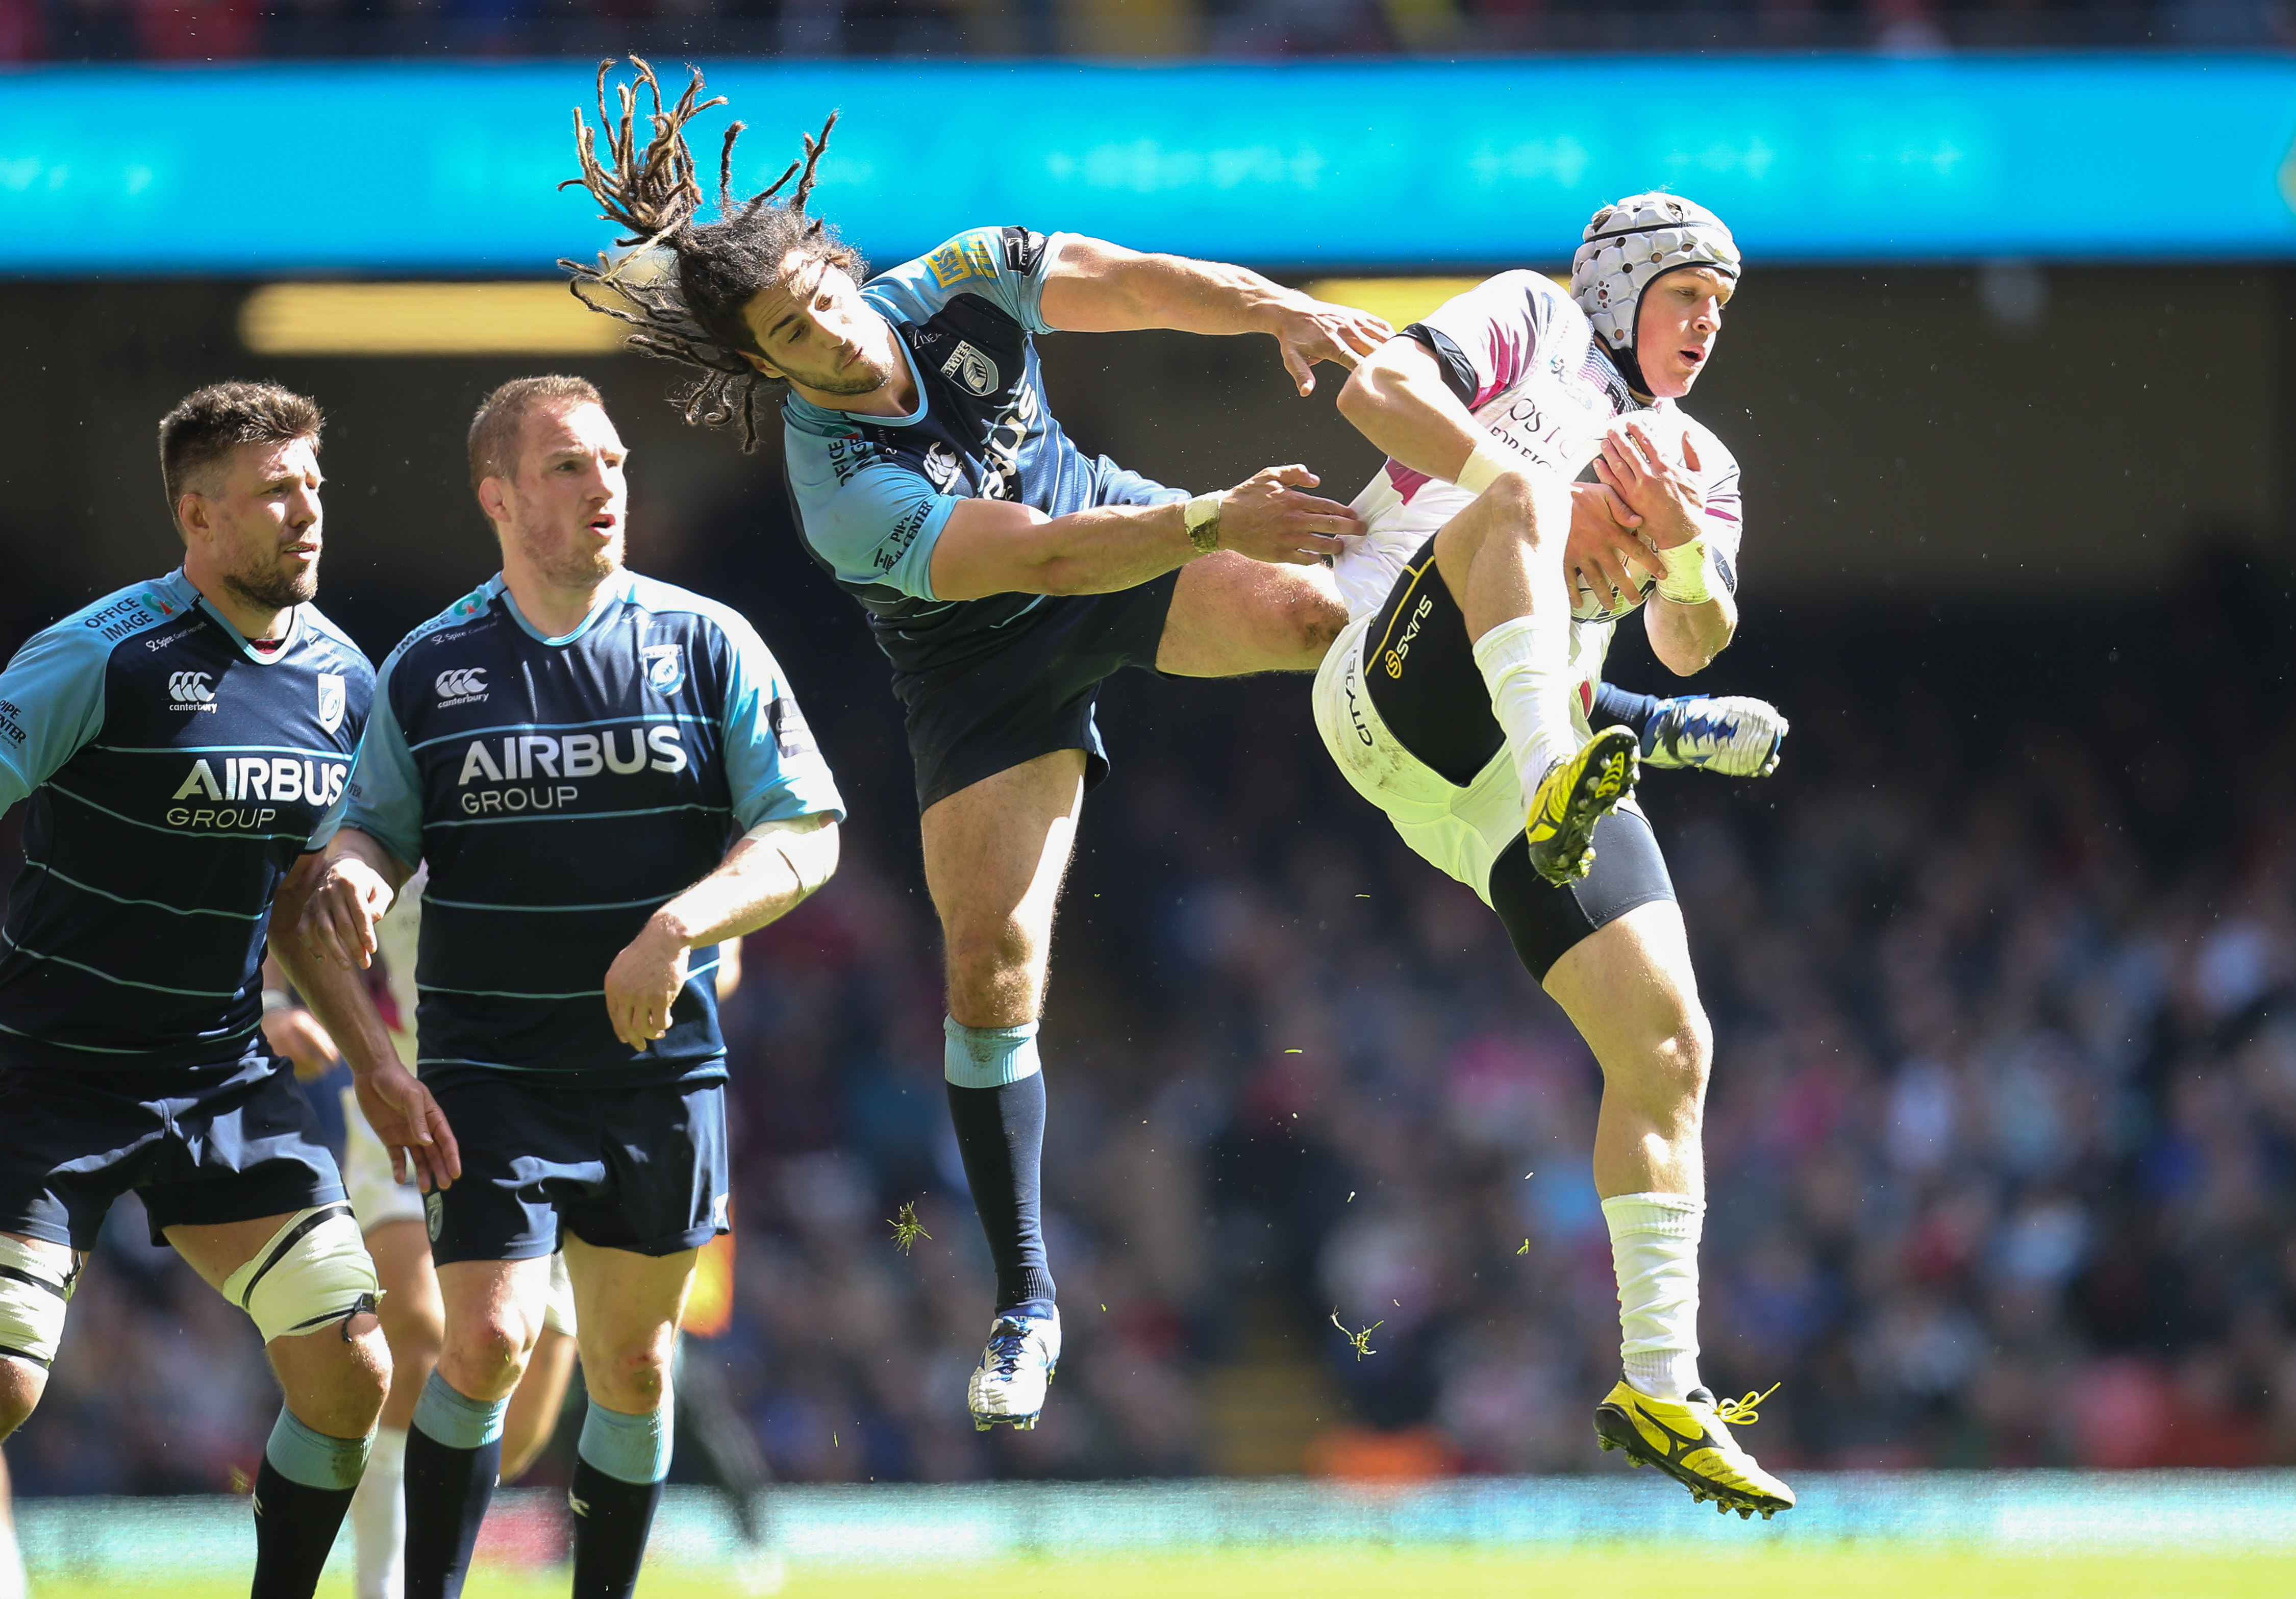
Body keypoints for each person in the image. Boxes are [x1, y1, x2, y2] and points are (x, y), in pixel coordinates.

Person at [558, 60, 1386, 1430]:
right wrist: (1208, 518)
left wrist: (1280, 311)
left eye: (819, 300)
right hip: (985, 668)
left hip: (1120, 537)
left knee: (1319, 619)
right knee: (993, 968)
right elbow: (1042, 562)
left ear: (842, 264)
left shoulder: (968, 270)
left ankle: (1607, 721)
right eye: (787, 338)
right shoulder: (834, 482)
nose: (823, 339)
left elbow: (1133, 283)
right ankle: (1025, 1299)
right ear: (762, 364)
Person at [298, 374, 843, 1599]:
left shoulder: (708, 643)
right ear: (498, 496)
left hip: (661, 1071)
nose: (604, 487)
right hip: (491, 1066)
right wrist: (357, 873)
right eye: (567, 468)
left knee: (636, 1370)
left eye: (613, 464)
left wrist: (680, 926)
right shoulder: (433, 668)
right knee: (482, 1341)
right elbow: (370, 828)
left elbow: (808, 831)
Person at [1310, 193, 1794, 1516]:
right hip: (1391, 684)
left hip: (1507, 774)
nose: (1705, 326)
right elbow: (1373, 385)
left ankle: (1660, 1381)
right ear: (1621, 284)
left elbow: (1700, 630)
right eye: (1687, 294)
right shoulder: (1529, 313)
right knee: (1519, 495)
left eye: (1721, 307)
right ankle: (1571, 766)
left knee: (1668, 1041)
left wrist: (1684, 552)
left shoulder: (1697, 452)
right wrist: (1521, 481)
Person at [0, 382, 455, 1597]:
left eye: (315, 486)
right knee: (7, 1381)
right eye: (275, 492)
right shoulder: (96, 656)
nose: (308, 512)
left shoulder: (342, 680)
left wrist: (380, 1065)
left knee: (353, 1370)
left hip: (216, 1078)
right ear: (196, 517)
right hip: (48, 1068)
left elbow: (307, 899)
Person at [263, 877, 581, 1599]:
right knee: (413, 1325)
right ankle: (384, 1584)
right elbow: (300, 883)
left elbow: (719, 953)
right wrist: (275, 1001)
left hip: (558, 1123)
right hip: (410, 1101)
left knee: (520, 1428)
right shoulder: (398, 777)